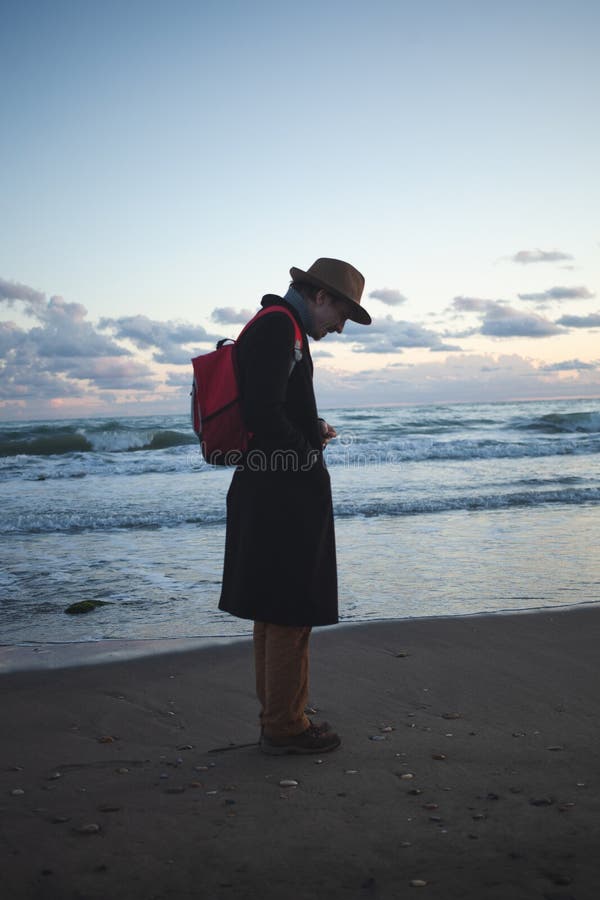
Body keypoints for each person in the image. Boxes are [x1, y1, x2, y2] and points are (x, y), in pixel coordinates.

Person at [218, 258, 372, 755]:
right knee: (288, 610)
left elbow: (272, 407)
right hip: (281, 493)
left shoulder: (277, 327)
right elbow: (263, 414)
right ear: (320, 295)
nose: (341, 327)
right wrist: (306, 455)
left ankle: (280, 716)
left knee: (273, 608)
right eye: (342, 314)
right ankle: (285, 726)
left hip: (269, 486)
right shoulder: (281, 328)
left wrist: (311, 429)